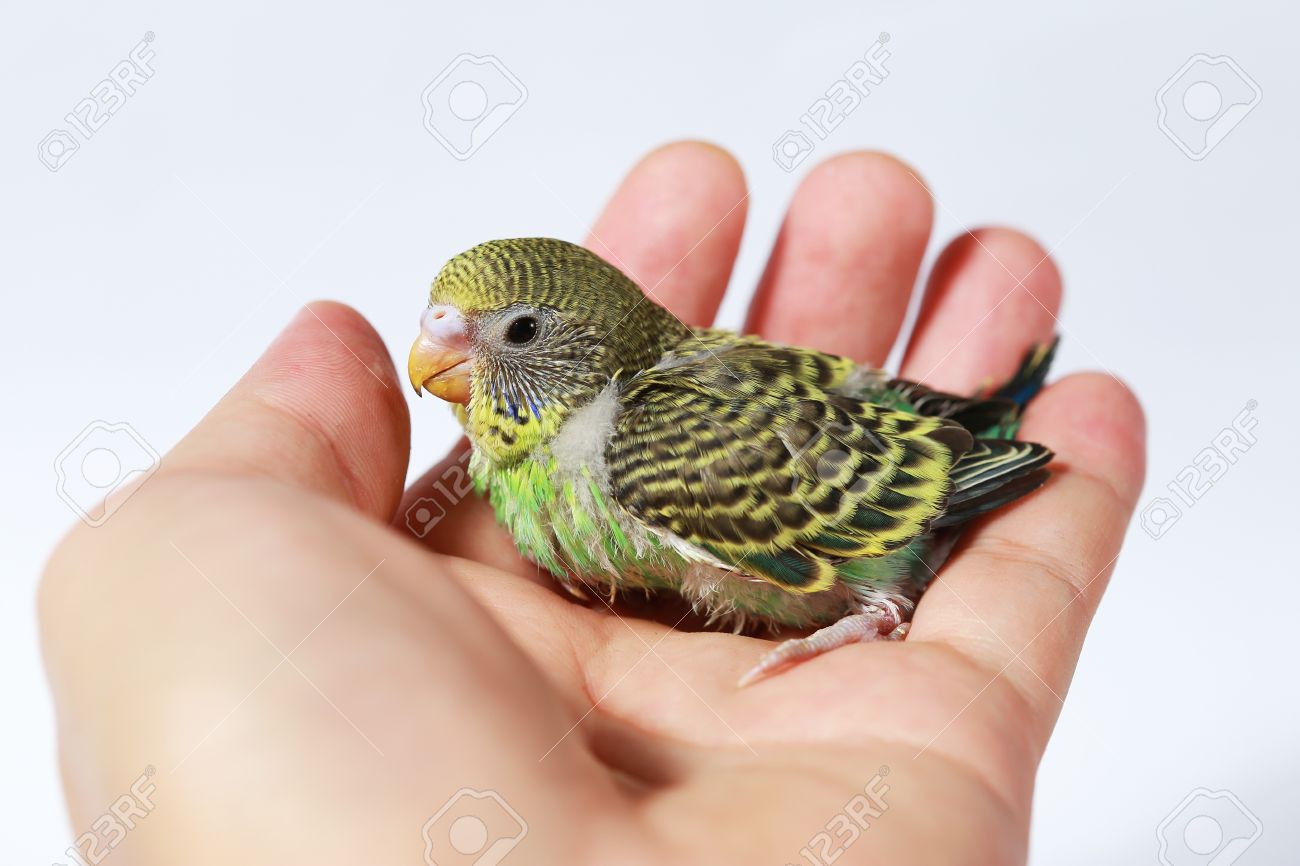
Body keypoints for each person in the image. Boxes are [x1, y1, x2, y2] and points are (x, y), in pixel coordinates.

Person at [40, 142, 1145, 865]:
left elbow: (875, 497)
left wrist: (878, 602)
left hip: (904, 479)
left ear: (582, 351)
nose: (441, 360)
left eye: (513, 335)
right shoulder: (536, 453)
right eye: (446, 328)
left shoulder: (654, 449)